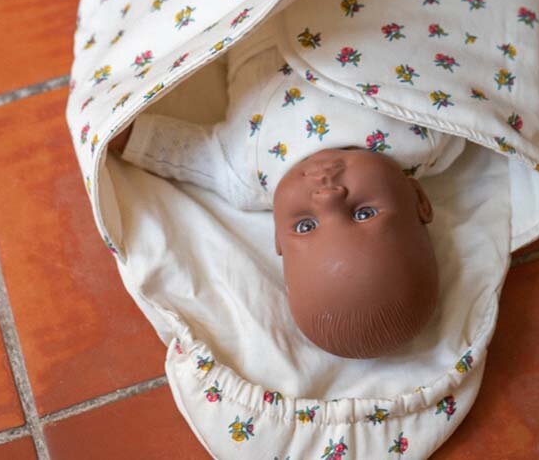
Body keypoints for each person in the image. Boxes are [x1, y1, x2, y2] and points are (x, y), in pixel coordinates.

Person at [109, 34, 458, 358]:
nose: (327, 197)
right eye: (363, 213)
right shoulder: (424, 135)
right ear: (418, 199)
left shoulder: (246, 176)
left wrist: (130, 137)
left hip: (256, 16)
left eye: (307, 225)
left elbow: (187, 154)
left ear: (278, 235)